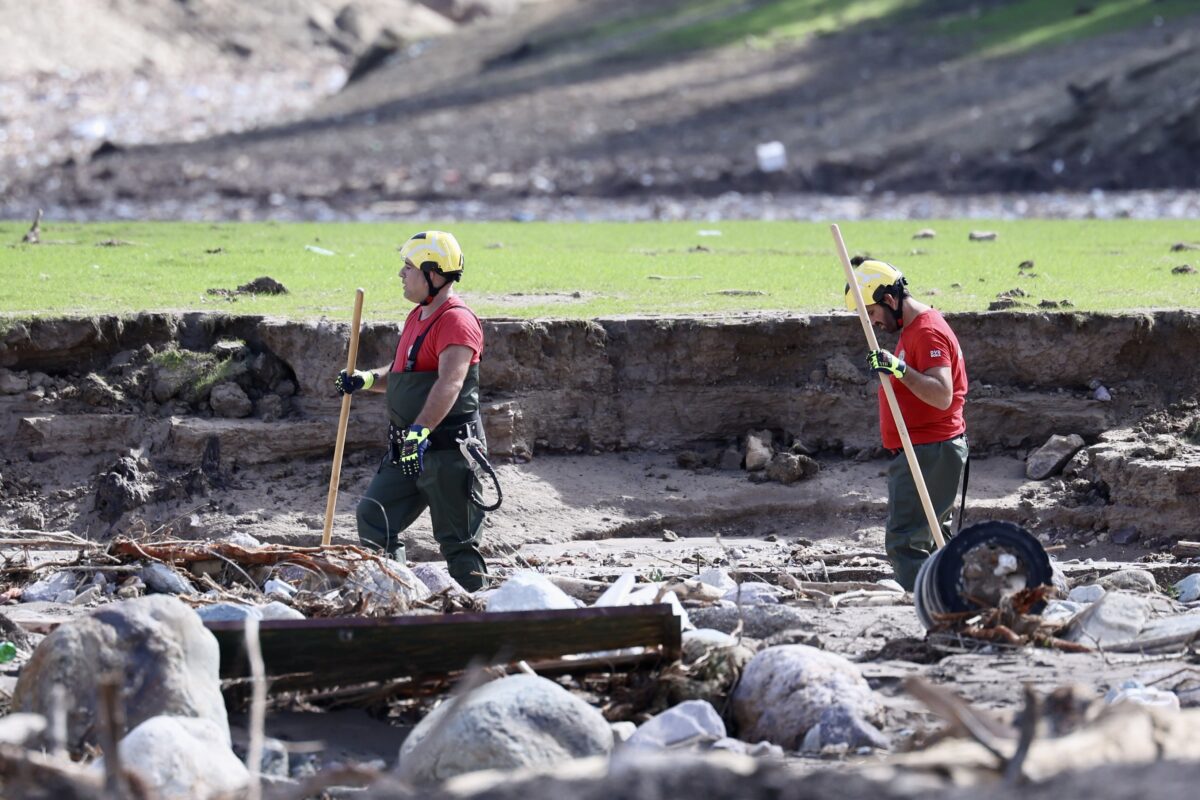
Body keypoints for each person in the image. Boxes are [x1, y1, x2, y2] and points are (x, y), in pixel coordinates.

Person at [335, 230, 488, 591]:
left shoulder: (458, 321)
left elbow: (450, 383)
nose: (401, 274)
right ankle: (396, 594)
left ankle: (478, 612)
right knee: (374, 516)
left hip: (448, 452)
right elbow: (406, 373)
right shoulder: (417, 316)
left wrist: (420, 430)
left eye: (408, 266)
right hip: (408, 447)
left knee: (458, 541)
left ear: (433, 274)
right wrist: (368, 380)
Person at [845, 259, 968, 591]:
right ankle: (947, 597)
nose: (873, 323)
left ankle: (923, 606)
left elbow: (942, 394)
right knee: (931, 534)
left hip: (931, 450)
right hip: (929, 449)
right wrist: (895, 367)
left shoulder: (926, 331)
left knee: (906, 540)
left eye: (871, 313)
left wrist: (897, 367)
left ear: (889, 299)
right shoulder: (916, 328)